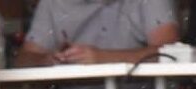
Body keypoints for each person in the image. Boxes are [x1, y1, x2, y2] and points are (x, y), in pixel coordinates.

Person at [20, 0, 180, 65]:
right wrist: (48, 60)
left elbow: (172, 54)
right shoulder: (53, 2)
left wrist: (102, 58)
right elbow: (24, 60)